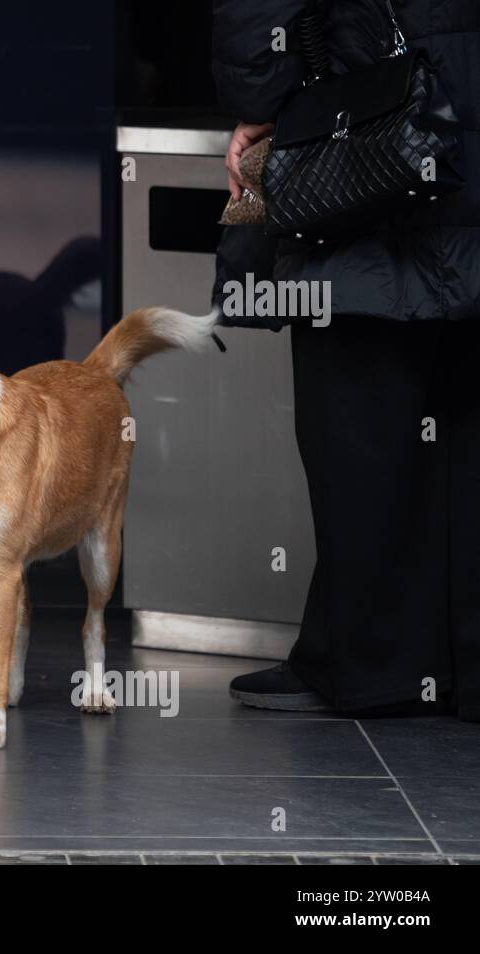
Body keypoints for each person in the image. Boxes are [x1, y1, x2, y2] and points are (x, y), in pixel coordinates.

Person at [212, 0, 479, 721]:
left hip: (371, 142)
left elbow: (257, 18)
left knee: (362, 419)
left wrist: (262, 104)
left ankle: (375, 664)